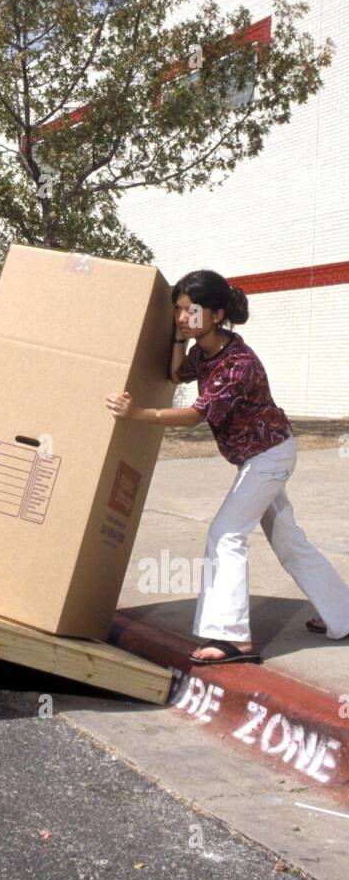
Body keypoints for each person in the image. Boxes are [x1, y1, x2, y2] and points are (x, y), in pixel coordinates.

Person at [104, 268, 349, 665]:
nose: (182, 317)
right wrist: (176, 338)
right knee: (289, 540)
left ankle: (233, 637)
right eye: (179, 310)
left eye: (190, 310)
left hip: (268, 457)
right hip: (260, 457)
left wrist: (137, 413)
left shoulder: (237, 363)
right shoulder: (204, 350)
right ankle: (344, 614)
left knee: (225, 533)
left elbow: (194, 415)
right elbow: (175, 373)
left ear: (216, 314)